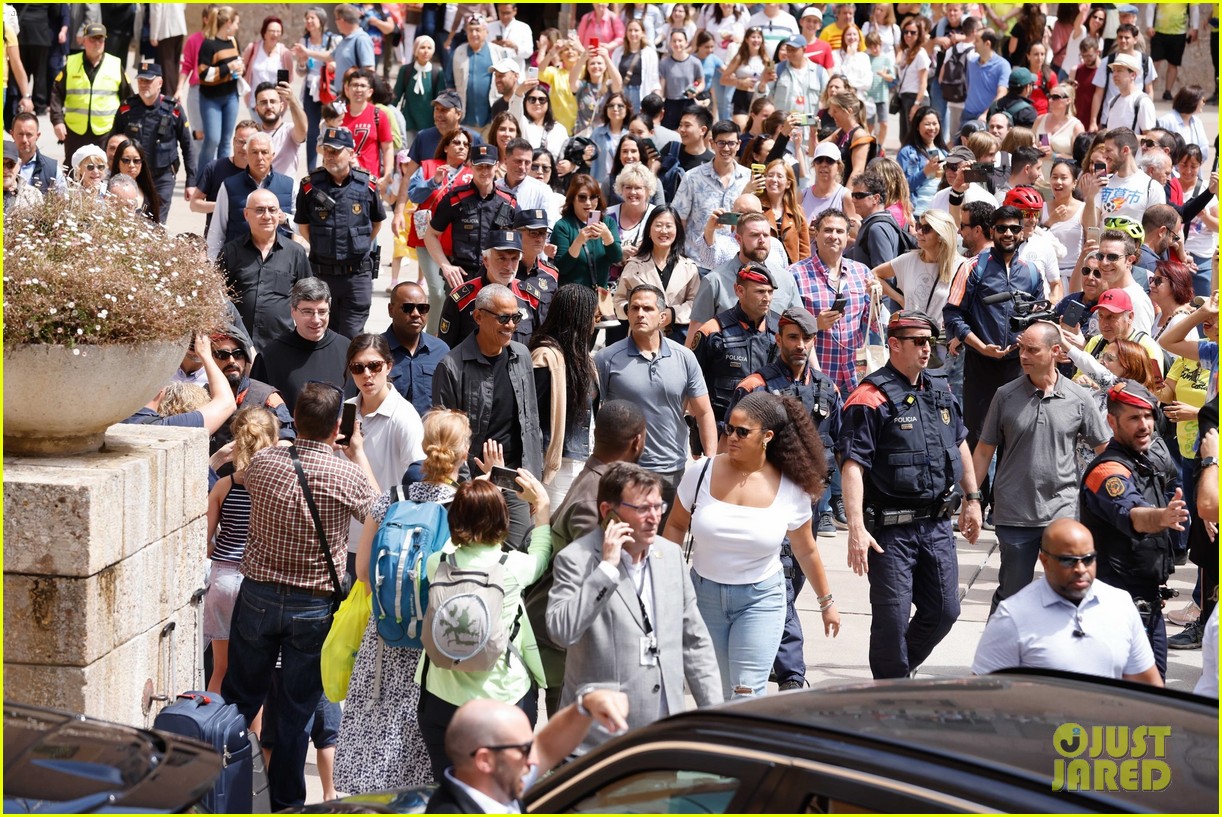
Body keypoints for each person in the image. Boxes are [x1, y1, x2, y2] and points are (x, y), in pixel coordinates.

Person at [219, 381, 376, 811]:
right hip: (313, 606)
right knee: (296, 713)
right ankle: (286, 804)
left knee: (238, 699)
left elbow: (240, 477)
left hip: (257, 595)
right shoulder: (345, 474)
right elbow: (382, 513)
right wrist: (356, 452)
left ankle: (222, 791)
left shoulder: (265, 462)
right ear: (336, 428)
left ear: (297, 421)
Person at [663, 390, 839, 698]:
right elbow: (676, 526)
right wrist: (664, 582)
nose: (731, 437)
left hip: (761, 600)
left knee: (745, 694)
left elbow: (806, 548)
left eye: (742, 432)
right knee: (712, 697)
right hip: (703, 598)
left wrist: (827, 604)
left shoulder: (791, 488)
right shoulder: (700, 473)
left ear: (768, 436)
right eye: (729, 428)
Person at [838, 311, 983, 679]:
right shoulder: (869, 398)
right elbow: (853, 465)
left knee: (945, 610)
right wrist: (856, 526)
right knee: (892, 618)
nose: (925, 349)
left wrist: (973, 498)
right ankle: (890, 690)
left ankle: (897, 673)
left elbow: (960, 442)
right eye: (917, 342)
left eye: (929, 342)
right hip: (890, 532)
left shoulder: (939, 387)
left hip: (936, 525)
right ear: (894, 345)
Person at [337, 408, 469, 795]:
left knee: (377, 745)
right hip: (435, 648)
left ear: (424, 450)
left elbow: (362, 572)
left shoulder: (390, 502)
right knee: (422, 751)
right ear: (462, 453)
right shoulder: (465, 508)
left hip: (384, 642)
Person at [547, 462, 722, 752]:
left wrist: (715, 716)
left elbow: (695, 643)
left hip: (664, 738)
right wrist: (606, 571)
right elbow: (561, 632)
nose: (654, 518)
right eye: (643, 508)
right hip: (598, 743)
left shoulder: (671, 555)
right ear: (608, 512)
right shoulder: (576, 560)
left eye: (658, 506)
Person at [726, 307, 843, 685]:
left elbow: (839, 447)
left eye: (807, 338)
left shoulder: (828, 389)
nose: (800, 345)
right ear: (778, 339)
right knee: (779, 583)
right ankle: (793, 675)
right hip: (764, 505)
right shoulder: (755, 388)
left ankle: (760, 651)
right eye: (792, 337)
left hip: (807, 508)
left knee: (788, 591)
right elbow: (734, 444)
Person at [415, 475, 552, 781]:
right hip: (503, 702)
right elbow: (541, 555)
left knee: (450, 793)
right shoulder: (513, 567)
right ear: (502, 519)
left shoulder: (437, 563)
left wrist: (471, 494)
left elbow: (455, 544)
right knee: (501, 793)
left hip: (441, 700)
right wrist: (541, 505)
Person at [973, 322, 1111, 615]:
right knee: (1013, 593)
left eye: (1032, 350)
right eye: (1022, 348)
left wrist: (1112, 499)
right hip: (1015, 513)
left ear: (1056, 352)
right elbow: (984, 451)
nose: (1023, 355)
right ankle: (1000, 657)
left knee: (1068, 592)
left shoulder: (1079, 397)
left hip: (1063, 511)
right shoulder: (1005, 395)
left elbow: (1105, 451)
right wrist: (971, 499)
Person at [1080, 380, 1188, 679]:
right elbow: (1134, 515)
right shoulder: (1108, 471)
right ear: (1112, 421)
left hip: (1147, 604)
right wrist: (1162, 517)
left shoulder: (1144, 461)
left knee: (1152, 703)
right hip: (1115, 607)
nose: (1144, 425)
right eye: (1133, 418)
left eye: (1148, 416)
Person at [971, 518, 1162, 684]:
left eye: (1088, 559)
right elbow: (981, 700)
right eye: (1068, 561)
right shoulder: (1012, 616)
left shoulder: (1120, 604)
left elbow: (1148, 686)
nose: (1080, 569)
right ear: (1044, 561)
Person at [596, 285, 717, 516]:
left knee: (666, 547)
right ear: (628, 314)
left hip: (672, 473)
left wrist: (709, 463)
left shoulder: (685, 357)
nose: (640, 313)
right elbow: (588, 411)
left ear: (662, 317)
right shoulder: (606, 358)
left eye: (648, 308)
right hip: (624, 472)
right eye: (634, 308)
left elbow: (703, 412)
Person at [425, 690, 630, 814]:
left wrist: (587, 705)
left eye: (530, 747)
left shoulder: (495, 788)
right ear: (485, 760)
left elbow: (547, 746)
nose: (533, 760)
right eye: (524, 750)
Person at [943, 205, 1044, 449]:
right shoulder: (972, 267)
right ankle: (977, 489)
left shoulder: (1032, 273)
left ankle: (1004, 490)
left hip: (1019, 367)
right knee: (977, 439)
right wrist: (980, 346)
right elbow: (953, 314)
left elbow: (1039, 317)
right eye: (1002, 228)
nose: (1008, 233)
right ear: (992, 230)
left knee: (1014, 439)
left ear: (1022, 233)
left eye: (1014, 228)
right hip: (980, 365)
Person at [204, 404, 281, 695]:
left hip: (222, 578)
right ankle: (253, 739)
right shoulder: (275, 486)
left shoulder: (224, 485)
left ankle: (211, 732)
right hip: (257, 583)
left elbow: (206, 541)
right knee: (253, 674)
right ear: (273, 441)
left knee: (220, 669)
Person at [434, 283, 544, 481]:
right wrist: (466, 485)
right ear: (478, 317)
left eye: (516, 317)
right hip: (473, 478)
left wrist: (534, 475)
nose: (511, 325)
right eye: (503, 318)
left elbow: (531, 420)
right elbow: (447, 437)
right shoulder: (451, 367)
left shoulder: (522, 355)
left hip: (517, 476)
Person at [295, 126, 387, 339]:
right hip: (323, 274)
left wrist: (360, 245)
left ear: (351, 153)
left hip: (357, 276)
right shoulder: (310, 186)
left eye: (335, 151)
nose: (329, 156)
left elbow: (376, 224)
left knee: (351, 337)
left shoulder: (367, 185)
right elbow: (304, 227)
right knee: (322, 335)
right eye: (326, 150)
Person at [794, 207, 880, 397]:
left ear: (848, 236)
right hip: (817, 375)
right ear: (816, 232)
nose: (834, 236)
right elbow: (786, 328)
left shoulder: (862, 272)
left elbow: (871, 325)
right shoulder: (796, 274)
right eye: (828, 230)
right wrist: (815, 324)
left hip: (856, 375)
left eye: (840, 231)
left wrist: (876, 300)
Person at [218, 189, 312, 353]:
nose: (267, 216)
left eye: (272, 210)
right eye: (260, 210)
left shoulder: (296, 253)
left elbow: (308, 298)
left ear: (279, 214)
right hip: (239, 347)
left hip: (282, 347)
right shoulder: (230, 252)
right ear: (246, 215)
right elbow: (217, 298)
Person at [689, 262, 779, 428]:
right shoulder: (712, 331)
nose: (767, 298)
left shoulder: (780, 331)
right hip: (722, 429)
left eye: (770, 292)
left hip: (767, 428)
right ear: (739, 291)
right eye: (760, 292)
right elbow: (691, 384)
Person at [110, 61, 196, 225]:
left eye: (148, 80)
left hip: (162, 176)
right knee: (129, 221)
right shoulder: (126, 109)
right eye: (141, 80)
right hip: (132, 175)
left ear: (160, 83)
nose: (144, 84)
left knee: (157, 224)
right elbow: (114, 143)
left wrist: (191, 182)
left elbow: (187, 146)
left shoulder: (173, 110)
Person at [425, 144, 517, 291]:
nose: (484, 172)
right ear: (470, 166)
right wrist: (446, 266)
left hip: (496, 277)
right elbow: (430, 235)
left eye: (488, 166)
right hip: (462, 276)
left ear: (497, 166)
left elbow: (520, 240)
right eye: (479, 167)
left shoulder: (509, 201)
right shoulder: (455, 199)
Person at [251, 279, 351, 413]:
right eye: (307, 312)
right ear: (293, 311)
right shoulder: (270, 357)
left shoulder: (347, 350)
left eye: (322, 312)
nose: (316, 320)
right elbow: (255, 412)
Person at [691, 206, 803, 325]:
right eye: (754, 235)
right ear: (738, 239)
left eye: (765, 235)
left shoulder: (786, 279)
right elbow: (696, 334)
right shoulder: (715, 281)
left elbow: (798, 325)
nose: (761, 240)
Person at [438, 232, 540, 349]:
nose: (508, 266)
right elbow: (444, 348)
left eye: (514, 259)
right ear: (486, 261)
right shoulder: (462, 300)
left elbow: (540, 343)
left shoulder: (529, 297)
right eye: (502, 259)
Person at [50, 23, 130, 172]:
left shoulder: (115, 64)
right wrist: (57, 121)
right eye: (93, 39)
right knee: (73, 171)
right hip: (74, 131)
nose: (97, 43)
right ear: (84, 41)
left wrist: (123, 129)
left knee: (102, 171)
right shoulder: (71, 63)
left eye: (101, 40)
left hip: (105, 131)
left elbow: (128, 99)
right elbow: (56, 93)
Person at [614, 205, 699, 344]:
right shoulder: (634, 265)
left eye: (669, 226)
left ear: (677, 230)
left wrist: (673, 313)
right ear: (649, 230)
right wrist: (633, 310)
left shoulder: (689, 268)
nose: (663, 231)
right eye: (658, 225)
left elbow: (695, 303)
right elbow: (619, 300)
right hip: (640, 338)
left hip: (677, 339)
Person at [672, 119, 751, 267]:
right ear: (711, 143)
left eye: (731, 143)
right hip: (697, 262)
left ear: (739, 144)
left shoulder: (749, 178)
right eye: (721, 143)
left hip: (737, 263)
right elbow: (679, 218)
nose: (726, 148)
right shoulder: (692, 177)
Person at [206, 132, 295, 260]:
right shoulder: (229, 186)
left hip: (279, 263)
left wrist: (285, 219)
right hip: (238, 264)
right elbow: (217, 231)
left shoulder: (290, 185)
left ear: (273, 156)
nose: (260, 157)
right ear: (246, 155)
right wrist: (214, 267)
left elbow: (301, 227)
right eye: (254, 152)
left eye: (264, 152)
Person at [122, 333, 237, 432]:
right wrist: (206, 355)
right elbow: (226, 403)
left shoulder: (113, 420)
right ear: (158, 387)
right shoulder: (163, 429)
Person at [381, 282, 450, 418]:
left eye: (422, 308)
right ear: (391, 310)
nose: (416, 314)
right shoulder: (374, 350)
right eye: (407, 308)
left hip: (429, 435)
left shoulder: (441, 351)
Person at [1081, 128, 1166, 228]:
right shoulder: (1102, 183)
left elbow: (1156, 230)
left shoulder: (1152, 187)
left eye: (1108, 151)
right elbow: (1089, 227)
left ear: (1125, 150)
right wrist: (1090, 197)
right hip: (1103, 243)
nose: (1104, 155)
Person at [551, 173, 622, 290]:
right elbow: (562, 268)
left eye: (593, 197)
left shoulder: (608, 223)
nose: (588, 203)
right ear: (572, 199)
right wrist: (578, 242)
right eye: (582, 197)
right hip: (573, 296)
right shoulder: (563, 226)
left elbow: (616, 258)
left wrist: (607, 237)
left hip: (600, 297)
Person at [195, 7, 245, 167]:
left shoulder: (234, 41)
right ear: (228, 23)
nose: (238, 26)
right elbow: (203, 74)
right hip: (211, 99)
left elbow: (238, 61)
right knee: (212, 140)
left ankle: (221, 181)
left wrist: (240, 68)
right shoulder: (208, 44)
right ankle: (201, 181)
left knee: (226, 141)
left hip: (231, 96)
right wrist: (229, 67)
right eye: (237, 23)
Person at [1090, 23, 1156, 131]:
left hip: (1134, 114)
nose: (1123, 40)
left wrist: (1147, 110)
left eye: (1127, 37)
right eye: (1120, 37)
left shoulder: (1146, 61)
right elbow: (1098, 93)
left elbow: (1149, 90)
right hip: (1110, 115)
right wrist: (1093, 121)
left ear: (1135, 40)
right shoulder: (1107, 61)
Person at [450, 15, 511, 130]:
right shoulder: (458, 52)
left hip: (492, 118)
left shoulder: (498, 52)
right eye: (470, 30)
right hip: (465, 119)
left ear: (486, 32)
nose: (474, 34)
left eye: (478, 30)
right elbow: (449, 82)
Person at [846, 169, 909, 271]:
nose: (853, 200)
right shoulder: (875, 223)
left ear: (876, 198)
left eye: (859, 196)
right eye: (853, 196)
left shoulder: (877, 228)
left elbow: (883, 276)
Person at [896, 105, 947, 217]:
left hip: (942, 212)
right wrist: (925, 172)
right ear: (917, 127)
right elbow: (903, 186)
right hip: (919, 212)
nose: (932, 128)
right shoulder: (908, 152)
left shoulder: (944, 152)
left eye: (935, 123)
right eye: (927, 124)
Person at [1097, 53, 1156, 134]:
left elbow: (1150, 138)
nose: (1114, 74)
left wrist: (1121, 139)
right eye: (1113, 70)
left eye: (1119, 70)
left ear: (1133, 75)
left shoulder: (1143, 102)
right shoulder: (1112, 101)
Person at [962, 28, 1011, 125]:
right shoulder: (971, 62)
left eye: (977, 40)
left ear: (987, 44)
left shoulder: (1002, 65)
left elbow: (1002, 93)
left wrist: (986, 114)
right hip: (968, 114)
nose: (973, 43)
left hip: (987, 118)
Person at [893, 19, 930, 143]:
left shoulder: (921, 54)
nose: (908, 35)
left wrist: (916, 104)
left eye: (913, 32)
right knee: (904, 137)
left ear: (919, 35)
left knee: (916, 138)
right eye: (906, 32)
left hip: (916, 98)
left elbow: (923, 82)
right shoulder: (906, 52)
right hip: (905, 97)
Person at [9, 113, 63, 196]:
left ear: (37, 136)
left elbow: (63, 203)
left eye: (29, 135)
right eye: (20, 134)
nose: (24, 140)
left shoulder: (53, 170)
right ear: (12, 134)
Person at [108, 139, 160, 223]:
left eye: (136, 161)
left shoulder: (150, 195)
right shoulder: (108, 190)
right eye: (126, 160)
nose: (131, 165)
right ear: (117, 162)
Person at [330, 4, 376, 99]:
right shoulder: (345, 39)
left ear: (342, 20)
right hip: (342, 95)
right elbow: (330, 56)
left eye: (336, 19)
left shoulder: (362, 39)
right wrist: (307, 52)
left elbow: (369, 70)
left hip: (354, 98)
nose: (335, 22)